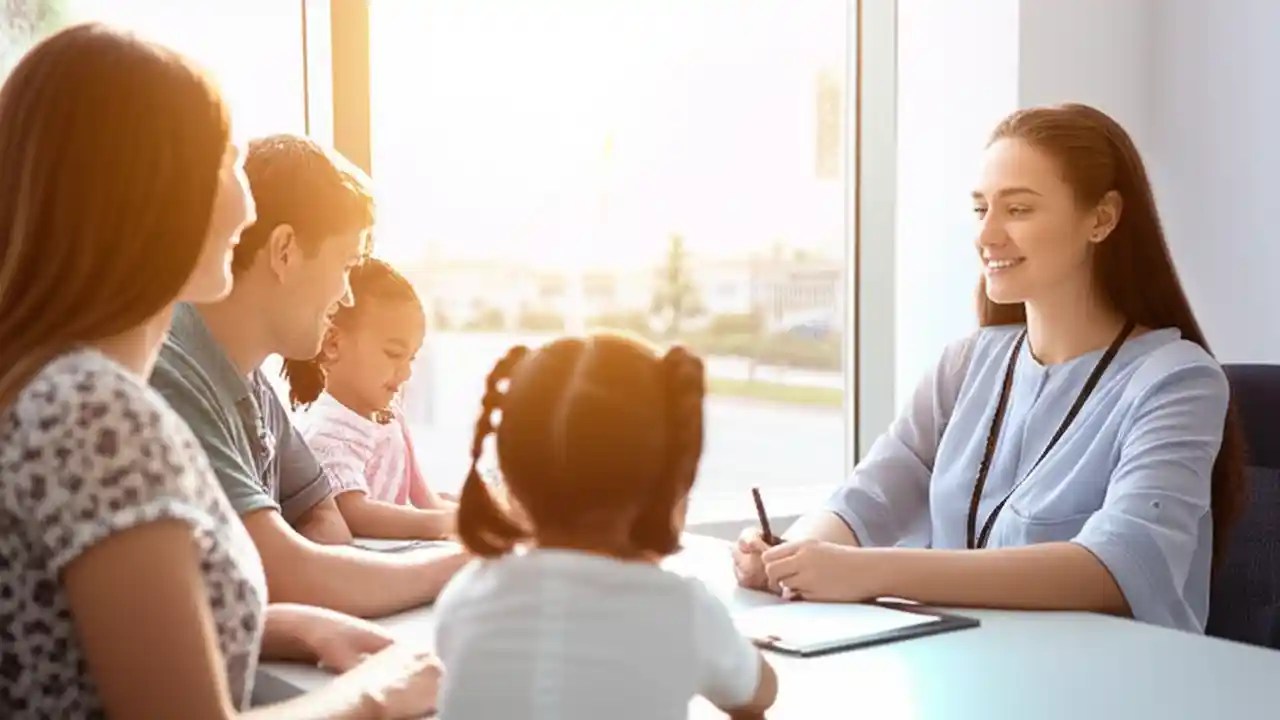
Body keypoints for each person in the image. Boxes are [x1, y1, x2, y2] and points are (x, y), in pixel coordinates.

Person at [0, 24, 440, 718]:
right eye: (230, 161)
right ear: (157, 193)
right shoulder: (97, 413)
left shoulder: (52, 391)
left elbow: (88, 629)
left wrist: (290, 625)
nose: (251, 203)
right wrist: (377, 695)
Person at [733, 103, 1244, 635]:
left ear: (1102, 217)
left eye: (1018, 210)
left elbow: (1118, 565)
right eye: (981, 210)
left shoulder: (1177, 380)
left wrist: (866, 572)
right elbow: (868, 499)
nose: (987, 235)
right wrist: (790, 559)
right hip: (968, 674)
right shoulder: (965, 365)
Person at [149, 133, 467, 619]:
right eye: (347, 265)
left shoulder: (247, 376)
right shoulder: (169, 373)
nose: (347, 297)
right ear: (284, 251)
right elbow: (287, 572)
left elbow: (322, 517)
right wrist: (470, 561)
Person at [433, 335, 778, 719]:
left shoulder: (466, 597)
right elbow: (760, 693)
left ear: (511, 479)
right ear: (672, 480)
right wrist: (729, 645)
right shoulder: (683, 611)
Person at [284, 258, 457, 540]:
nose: (406, 372)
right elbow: (353, 512)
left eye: (411, 358)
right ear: (333, 345)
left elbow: (425, 499)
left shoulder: (391, 415)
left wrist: (474, 517)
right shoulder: (325, 431)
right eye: (393, 354)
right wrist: (442, 525)